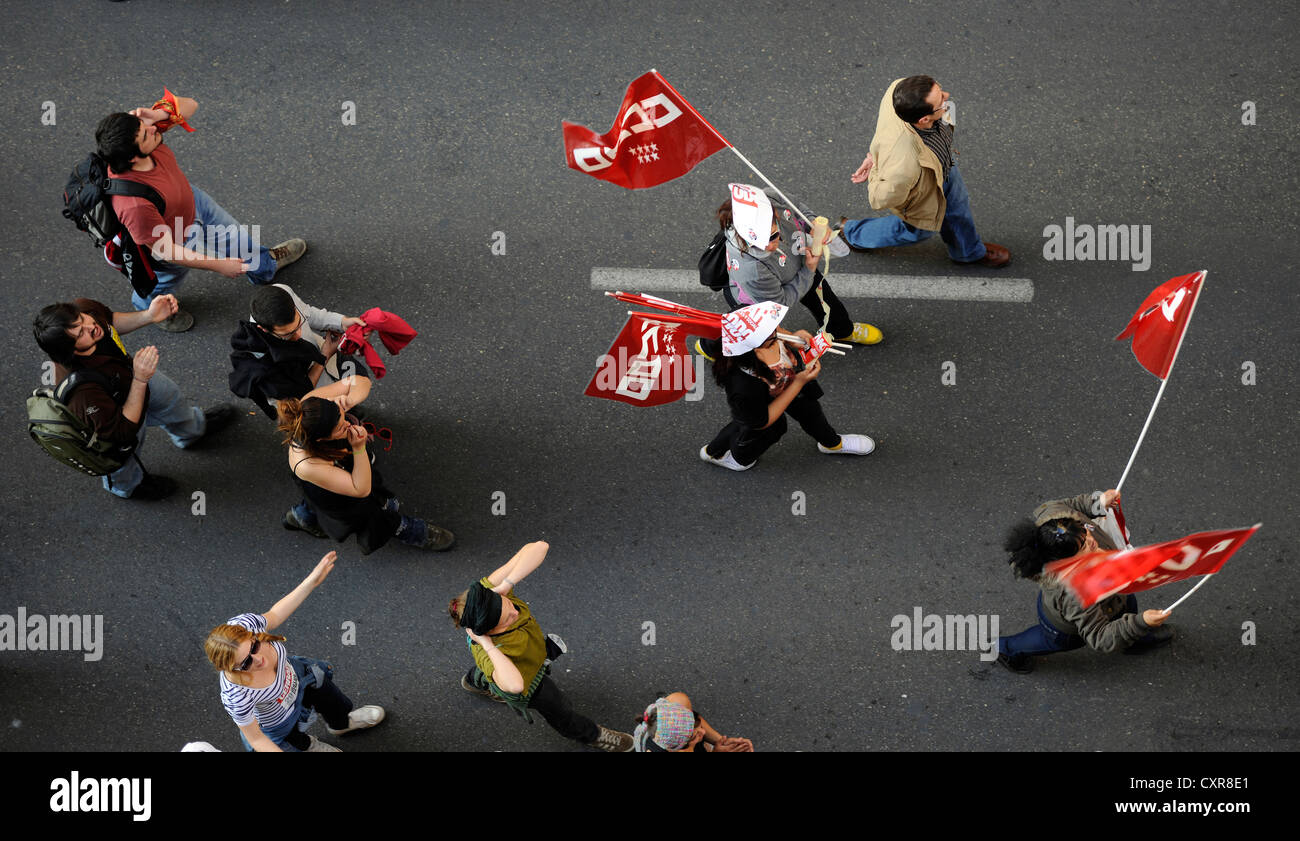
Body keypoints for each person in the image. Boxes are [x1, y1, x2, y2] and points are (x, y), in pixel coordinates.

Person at [95, 90, 307, 330]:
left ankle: (264, 266)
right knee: (166, 280)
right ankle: (151, 307)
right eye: (146, 133)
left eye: (147, 127)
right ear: (132, 159)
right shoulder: (134, 205)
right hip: (173, 236)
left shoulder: (144, 136)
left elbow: (191, 105)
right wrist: (219, 264)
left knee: (238, 238)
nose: (154, 130)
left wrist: (156, 114)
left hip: (192, 202)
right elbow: (167, 251)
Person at [32, 294, 236, 499]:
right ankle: (127, 486)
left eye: (82, 319)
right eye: (79, 334)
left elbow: (110, 320)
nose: (90, 325)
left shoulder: (84, 310)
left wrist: (149, 316)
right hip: (118, 411)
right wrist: (140, 380)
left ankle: (192, 432)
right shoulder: (83, 392)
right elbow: (121, 432)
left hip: (131, 374)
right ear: (70, 351)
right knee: (125, 454)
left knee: (170, 396)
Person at [449, 541, 634, 751]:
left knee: (485, 674)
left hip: (528, 655)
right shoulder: (489, 651)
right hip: (531, 684)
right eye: (507, 619)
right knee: (561, 711)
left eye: (508, 604)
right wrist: (487, 645)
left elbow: (539, 547)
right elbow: (517, 685)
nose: (515, 613)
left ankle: (474, 682)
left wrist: (505, 585)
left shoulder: (493, 595)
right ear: (488, 633)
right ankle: (593, 735)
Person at [204, 551, 386, 752]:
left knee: (333, 701)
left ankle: (341, 724)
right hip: (279, 721)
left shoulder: (244, 625)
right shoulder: (236, 696)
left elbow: (274, 615)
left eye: (255, 646)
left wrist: (311, 582)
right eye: (245, 663)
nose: (258, 659)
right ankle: (310, 746)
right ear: (232, 668)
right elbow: (256, 739)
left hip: (301, 678)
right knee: (295, 741)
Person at [841, 75, 1010, 268]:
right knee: (916, 230)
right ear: (924, 119)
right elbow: (880, 198)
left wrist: (873, 156)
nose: (947, 95)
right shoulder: (904, 165)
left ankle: (967, 252)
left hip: (940, 167)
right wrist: (877, 167)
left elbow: (884, 131)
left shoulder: (901, 88)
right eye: (941, 100)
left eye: (940, 89)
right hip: (921, 188)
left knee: (957, 206)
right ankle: (853, 233)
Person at [997, 489, 1174, 673]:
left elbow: (1073, 505)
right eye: (1082, 547)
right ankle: (1005, 649)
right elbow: (1099, 637)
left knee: (1127, 612)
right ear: (1066, 563)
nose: (1091, 540)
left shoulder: (1056, 517)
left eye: (1085, 531)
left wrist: (1097, 502)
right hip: (1066, 628)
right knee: (1045, 641)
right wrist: (1140, 622)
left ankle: (1132, 640)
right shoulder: (1074, 595)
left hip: (1115, 598)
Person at [699, 301, 875, 471]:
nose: (776, 331)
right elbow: (762, 422)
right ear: (753, 348)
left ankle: (832, 444)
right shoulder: (743, 388)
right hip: (767, 399)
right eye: (770, 334)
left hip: (790, 381)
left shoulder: (745, 328)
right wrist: (798, 383)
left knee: (811, 412)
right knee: (757, 429)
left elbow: (776, 332)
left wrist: (793, 338)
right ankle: (723, 456)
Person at [276, 388, 455, 552]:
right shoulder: (307, 465)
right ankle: (404, 529)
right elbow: (360, 489)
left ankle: (302, 517)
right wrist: (358, 447)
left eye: (342, 415)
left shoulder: (312, 412)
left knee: (319, 504)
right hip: (329, 488)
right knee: (364, 512)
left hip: (329, 473)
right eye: (339, 427)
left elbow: (358, 383)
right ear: (322, 439)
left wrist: (349, 398)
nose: (346, 424)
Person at [715, 183, 882, 349]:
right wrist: (808, 270)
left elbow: (797, 207)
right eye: (756, 243)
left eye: (772, 235)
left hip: (798, 266)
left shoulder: (771, 197)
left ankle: (841, 331)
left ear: (774, 215)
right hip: (761, 302)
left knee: (826, 299)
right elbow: (780, 302)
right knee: (756, 339)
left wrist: (812, 222)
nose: (768, 246)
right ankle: (713, 347)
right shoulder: (753, 271)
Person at [229, 283, 370, 420]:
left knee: (354, 386)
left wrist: (341, 322)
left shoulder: (282, 291)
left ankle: (350, 410)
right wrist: (325, 354)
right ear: (263, 329)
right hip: (312, 386)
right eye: (288, 334)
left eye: (299, 324)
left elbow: (310, 313)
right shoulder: (262, 366)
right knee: (332, 417)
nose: (299, 335)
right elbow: (301, 396)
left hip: (322, 354)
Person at [632, 693, 754, 752]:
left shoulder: (677, 701)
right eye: (695, 736)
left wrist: (722, 741)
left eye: (694, 722)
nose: (703, 731)